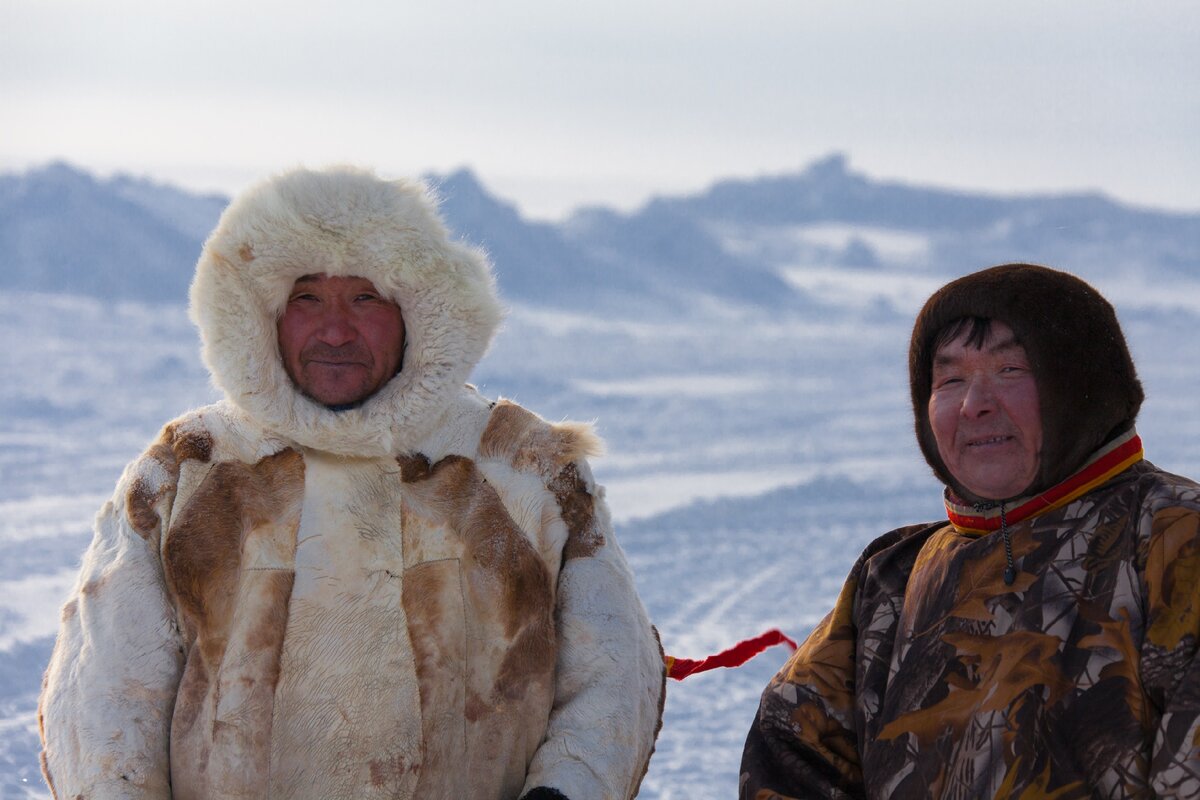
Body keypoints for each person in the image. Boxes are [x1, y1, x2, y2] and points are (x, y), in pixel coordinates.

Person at [38, 166, 665, 800]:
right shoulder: (187, 469)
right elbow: (108, 685)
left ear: (419, 313)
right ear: (262, 315)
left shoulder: (525, 468)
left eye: (365, 298)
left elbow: (610, 669)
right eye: (307, 298)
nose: (335, 330)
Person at [740, 263, 1200, 798]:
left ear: (1083, 384)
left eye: (1011, 371)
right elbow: (791, 748)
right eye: (950, 379)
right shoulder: (895, 573)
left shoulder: (1173, 536)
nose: (973, 405)